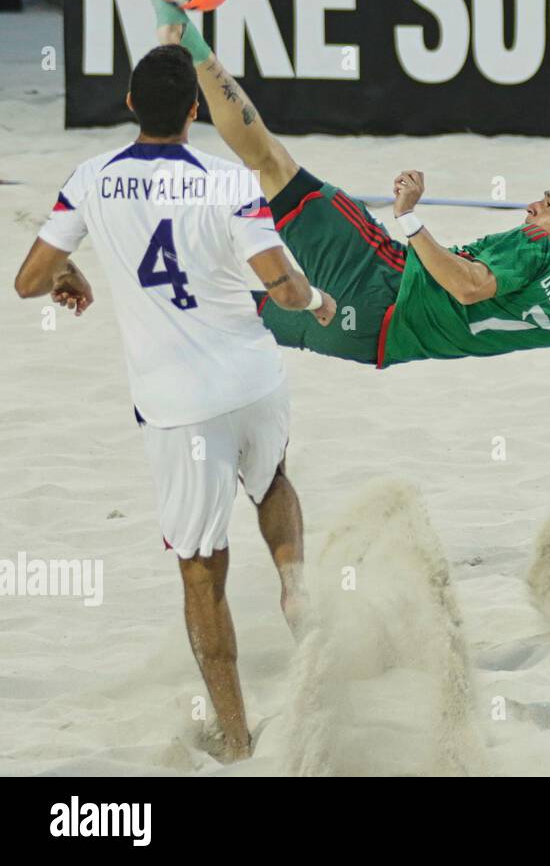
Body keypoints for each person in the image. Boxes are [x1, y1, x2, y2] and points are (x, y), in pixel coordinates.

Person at [141, 0, 550, 440]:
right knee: (216, 312)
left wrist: (411, 219)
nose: (534, 207)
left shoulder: (537, 249)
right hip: (361, 342)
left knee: (272, 163)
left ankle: (182, 37)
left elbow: (468, 286)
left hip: (379, 279)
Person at [13, 44, 336, 760]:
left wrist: (68, 269)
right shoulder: (231, 182)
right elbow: (281, 285)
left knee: (200, 569)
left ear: (130, 105)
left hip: (178, 408)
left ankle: (236, 737)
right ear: (196, 111)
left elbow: (28, 280)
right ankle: (295, 589)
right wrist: (315, 300)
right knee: (274, 479)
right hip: (253, 378)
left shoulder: (90, 179)